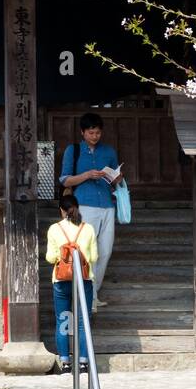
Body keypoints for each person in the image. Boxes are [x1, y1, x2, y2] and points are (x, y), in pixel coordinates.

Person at [59, 112, 122, 308]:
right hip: (84, 204)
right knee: (87, 251)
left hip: (107, 205)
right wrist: (86, 175)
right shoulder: (73, 150)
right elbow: (65, 179)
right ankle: (88, 298)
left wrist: (117, 178)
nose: (95, 136)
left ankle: (93, 293)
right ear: (83, 132)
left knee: (104, 251)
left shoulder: (109, 151)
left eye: (98, 133)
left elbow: (116, 182)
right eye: (91, 132)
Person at [45, 193, 99, 374]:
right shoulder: (88, 229)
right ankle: (83, 362)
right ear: (77, 208)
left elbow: (50, 257)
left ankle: (65, 362)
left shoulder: (54, 229)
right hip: (83, 280)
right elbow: (93, 257)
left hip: (61, 281)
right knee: (84, 322)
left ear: (61, 210)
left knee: (62, 319)